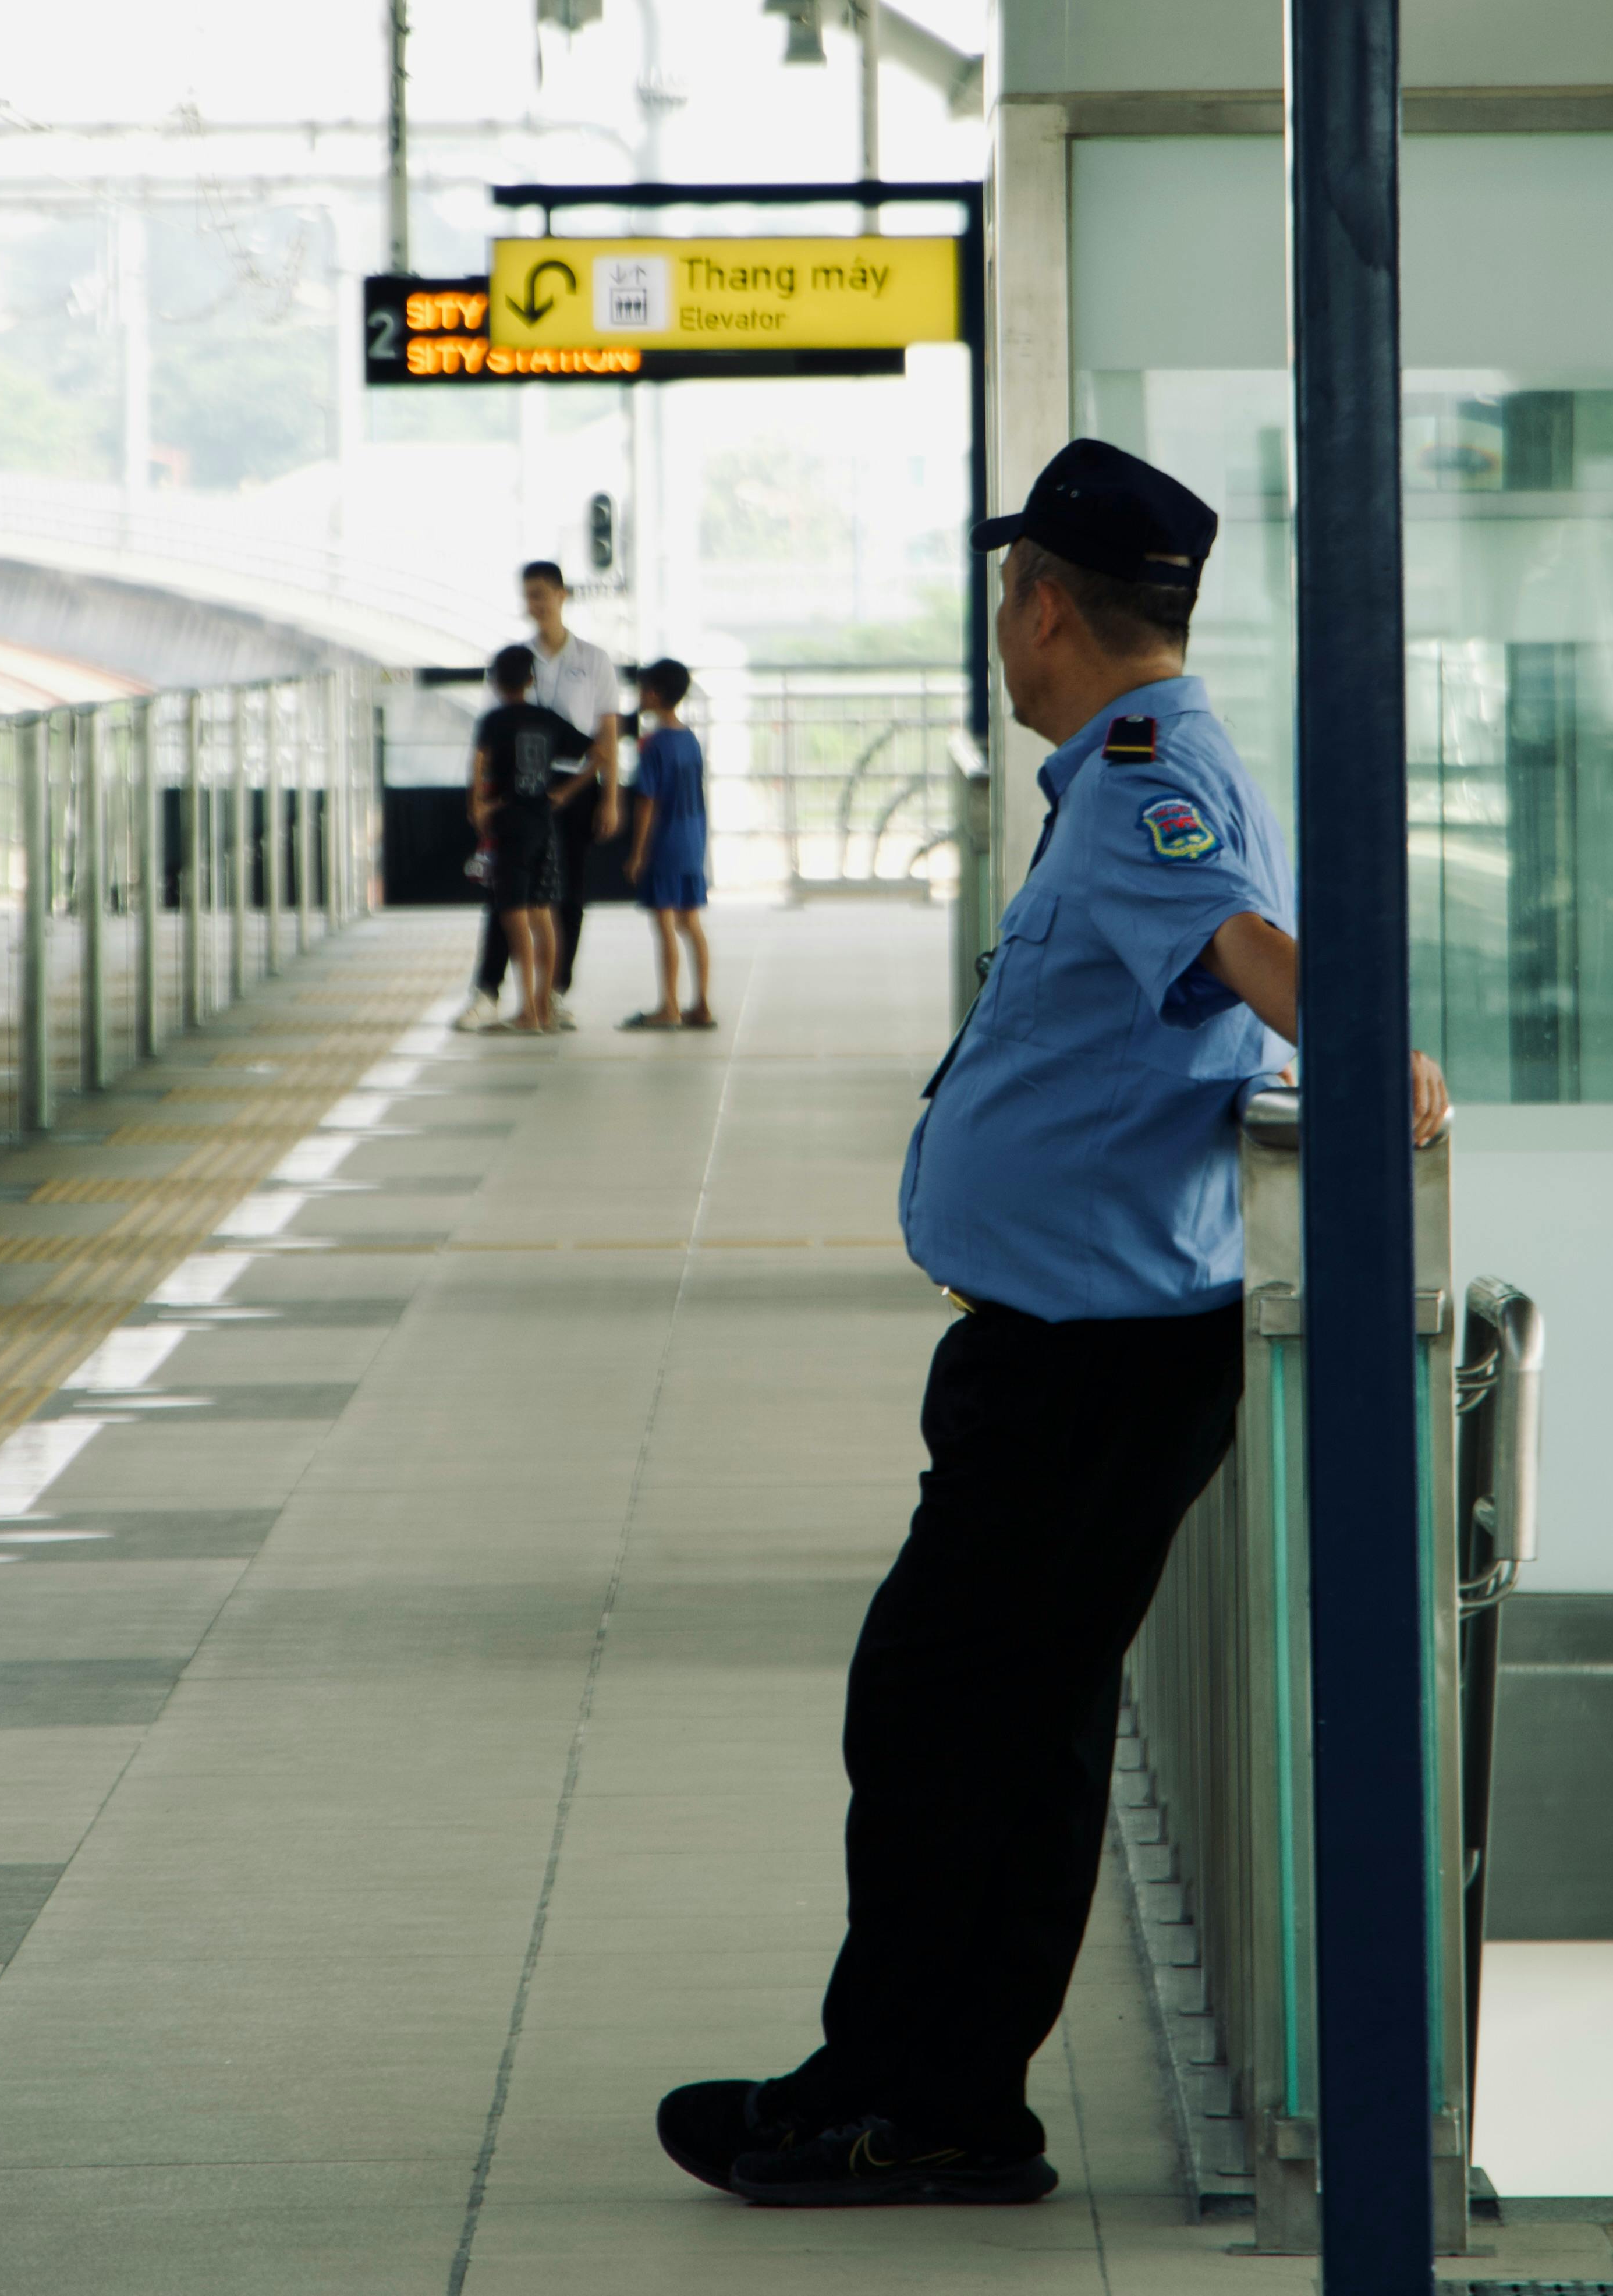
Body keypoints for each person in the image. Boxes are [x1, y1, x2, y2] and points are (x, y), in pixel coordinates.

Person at [656, 438, 1448, 2210]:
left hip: (1091, 1362)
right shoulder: (1122, 771)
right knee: (991, 1715)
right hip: (1070, 1348)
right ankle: (902, 2081)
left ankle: (920, 2099)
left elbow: (1254, 950)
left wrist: (1367, 1047)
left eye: (1008, 596)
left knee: (950, 1715)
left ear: (1039, 603)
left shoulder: (1149, 776)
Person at [455, 560, 621, 1033]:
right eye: (528, 595)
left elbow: (606, 733)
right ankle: (488, 991)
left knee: (567, 896)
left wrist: (608, 797)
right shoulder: (517, 658)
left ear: (563, 594)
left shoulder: (593, 660)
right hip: (519, 798)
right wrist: (482, 801)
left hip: (572, 791)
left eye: (542, 594)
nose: (536, 604)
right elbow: (490, 744)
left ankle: (554, 993)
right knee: (506, 896)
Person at [467, 644, 587, 1035]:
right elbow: (598, 748)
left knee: (514, 912)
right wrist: (568, 792)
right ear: (532, 679)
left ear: (495, 680)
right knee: (544, 911)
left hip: (510, 823)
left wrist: (479, 808)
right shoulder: (547, 718)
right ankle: (543, 1008)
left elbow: (479, 767)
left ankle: (528, 1013)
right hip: (544, 822)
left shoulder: (493, 721)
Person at [619, 659, 712, 1032]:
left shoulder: (654, 744)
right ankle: (702, 1004)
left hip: (665, 843)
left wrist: (637, 854)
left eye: (642, 690)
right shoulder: (690, 739)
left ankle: (669, 1006)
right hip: (693, 839)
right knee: (691, 923)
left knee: (664, 923)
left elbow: (648, 802)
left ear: (654, 694)